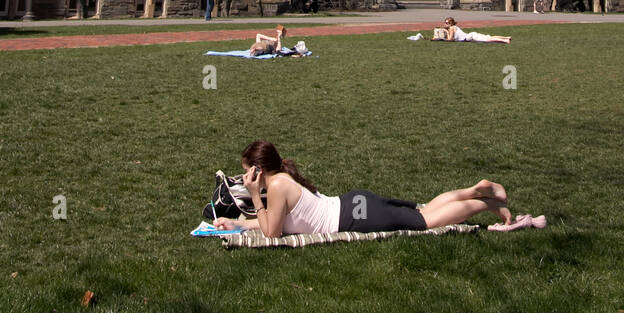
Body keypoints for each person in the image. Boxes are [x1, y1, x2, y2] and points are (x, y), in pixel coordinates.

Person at [206, 140, 518, 236]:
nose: (244, 178)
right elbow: (275, 221)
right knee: (422, 211)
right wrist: (237, 223)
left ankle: (485, 204)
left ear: (259, 170)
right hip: (355, 205)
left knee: (425, 222)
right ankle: (475, 189)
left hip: (355, 217)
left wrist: (255, 200)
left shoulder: (275, 188)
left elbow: (272, 231)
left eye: (247, 172)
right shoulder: (281, 181)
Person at [435, 17, 511, 44]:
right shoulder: (454, 27)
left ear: (450, 24)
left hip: (470, 37)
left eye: (447, 23)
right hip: (471, 35)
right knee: (489, 37)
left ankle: (505, 41)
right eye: (445, 22)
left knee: (488, 39)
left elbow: (450, 39)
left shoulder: (451, 28)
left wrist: (446, 32)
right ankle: (506, 37)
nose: (445, 24)